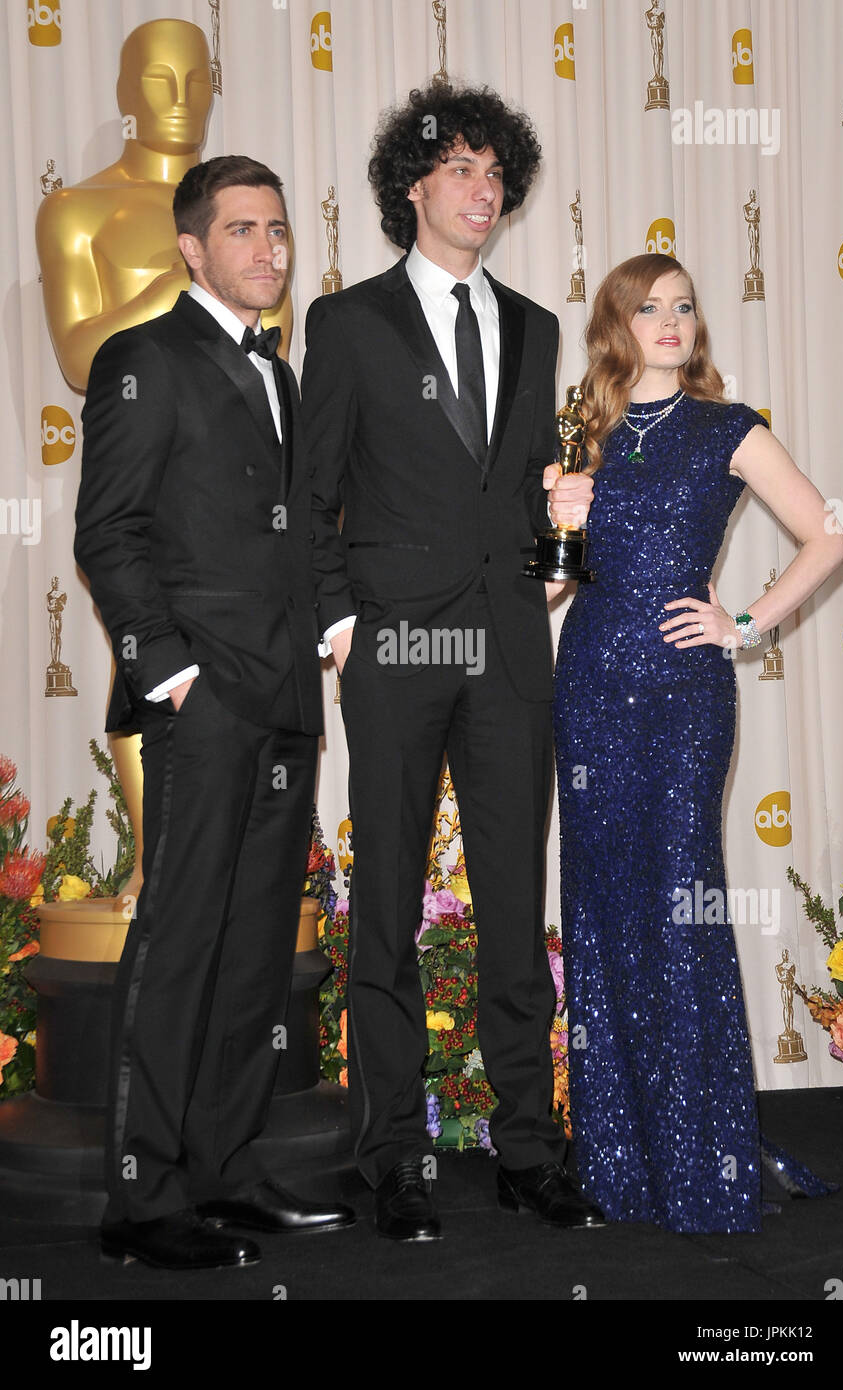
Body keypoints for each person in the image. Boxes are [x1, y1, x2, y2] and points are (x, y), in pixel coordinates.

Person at [301, 83, 599, 1240]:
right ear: (411, 185)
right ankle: (389, 1162)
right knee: (381, 913)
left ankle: (529, 1148)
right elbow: (312, 491)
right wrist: (340, 626)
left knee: (513, 909)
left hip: (507, 650)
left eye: (495, 175)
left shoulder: (534, 325)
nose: (481, 191)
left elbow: (524, 496)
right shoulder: (350, 323)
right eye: (461, 170)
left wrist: (557, 541)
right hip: (394, 645)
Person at [75, 155, 354, 1269]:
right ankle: (141, 1197)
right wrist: (169, 670)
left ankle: (228, 1173)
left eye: (278, 230)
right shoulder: (140, 359)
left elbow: (304, 530)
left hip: (285, 699)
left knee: (250, 953)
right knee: (182, 943)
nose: (268, 250)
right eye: (242, 231)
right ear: (192, 247)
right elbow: (110, 533)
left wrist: (335, 623)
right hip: (202, 703)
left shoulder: (280, 375)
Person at [548, 253, 843, 1232]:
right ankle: (619, 1162)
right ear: (614, 325)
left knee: (679, 902)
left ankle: (700, 1160)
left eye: (682, 306)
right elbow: (545, 591)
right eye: (649, 308)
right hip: (588, 682)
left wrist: (747, 623)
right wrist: (553, 520)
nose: (670, 321)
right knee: (601, 908)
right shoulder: (579, 437)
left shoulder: (729, 428)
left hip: (683, 695)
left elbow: (827, 537)